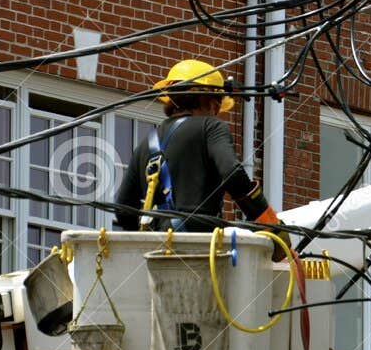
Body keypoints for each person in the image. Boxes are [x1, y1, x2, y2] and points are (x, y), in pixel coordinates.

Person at [113, 59, 279, 232]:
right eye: (217, 105)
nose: (216, 112)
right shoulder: (211, 127)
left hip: (157, 250)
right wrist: (271, 225)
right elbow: (232, 174)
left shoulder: (146, 144)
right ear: (208, 100)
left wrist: (145, 238)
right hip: (201, 246)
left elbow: (123, 210)